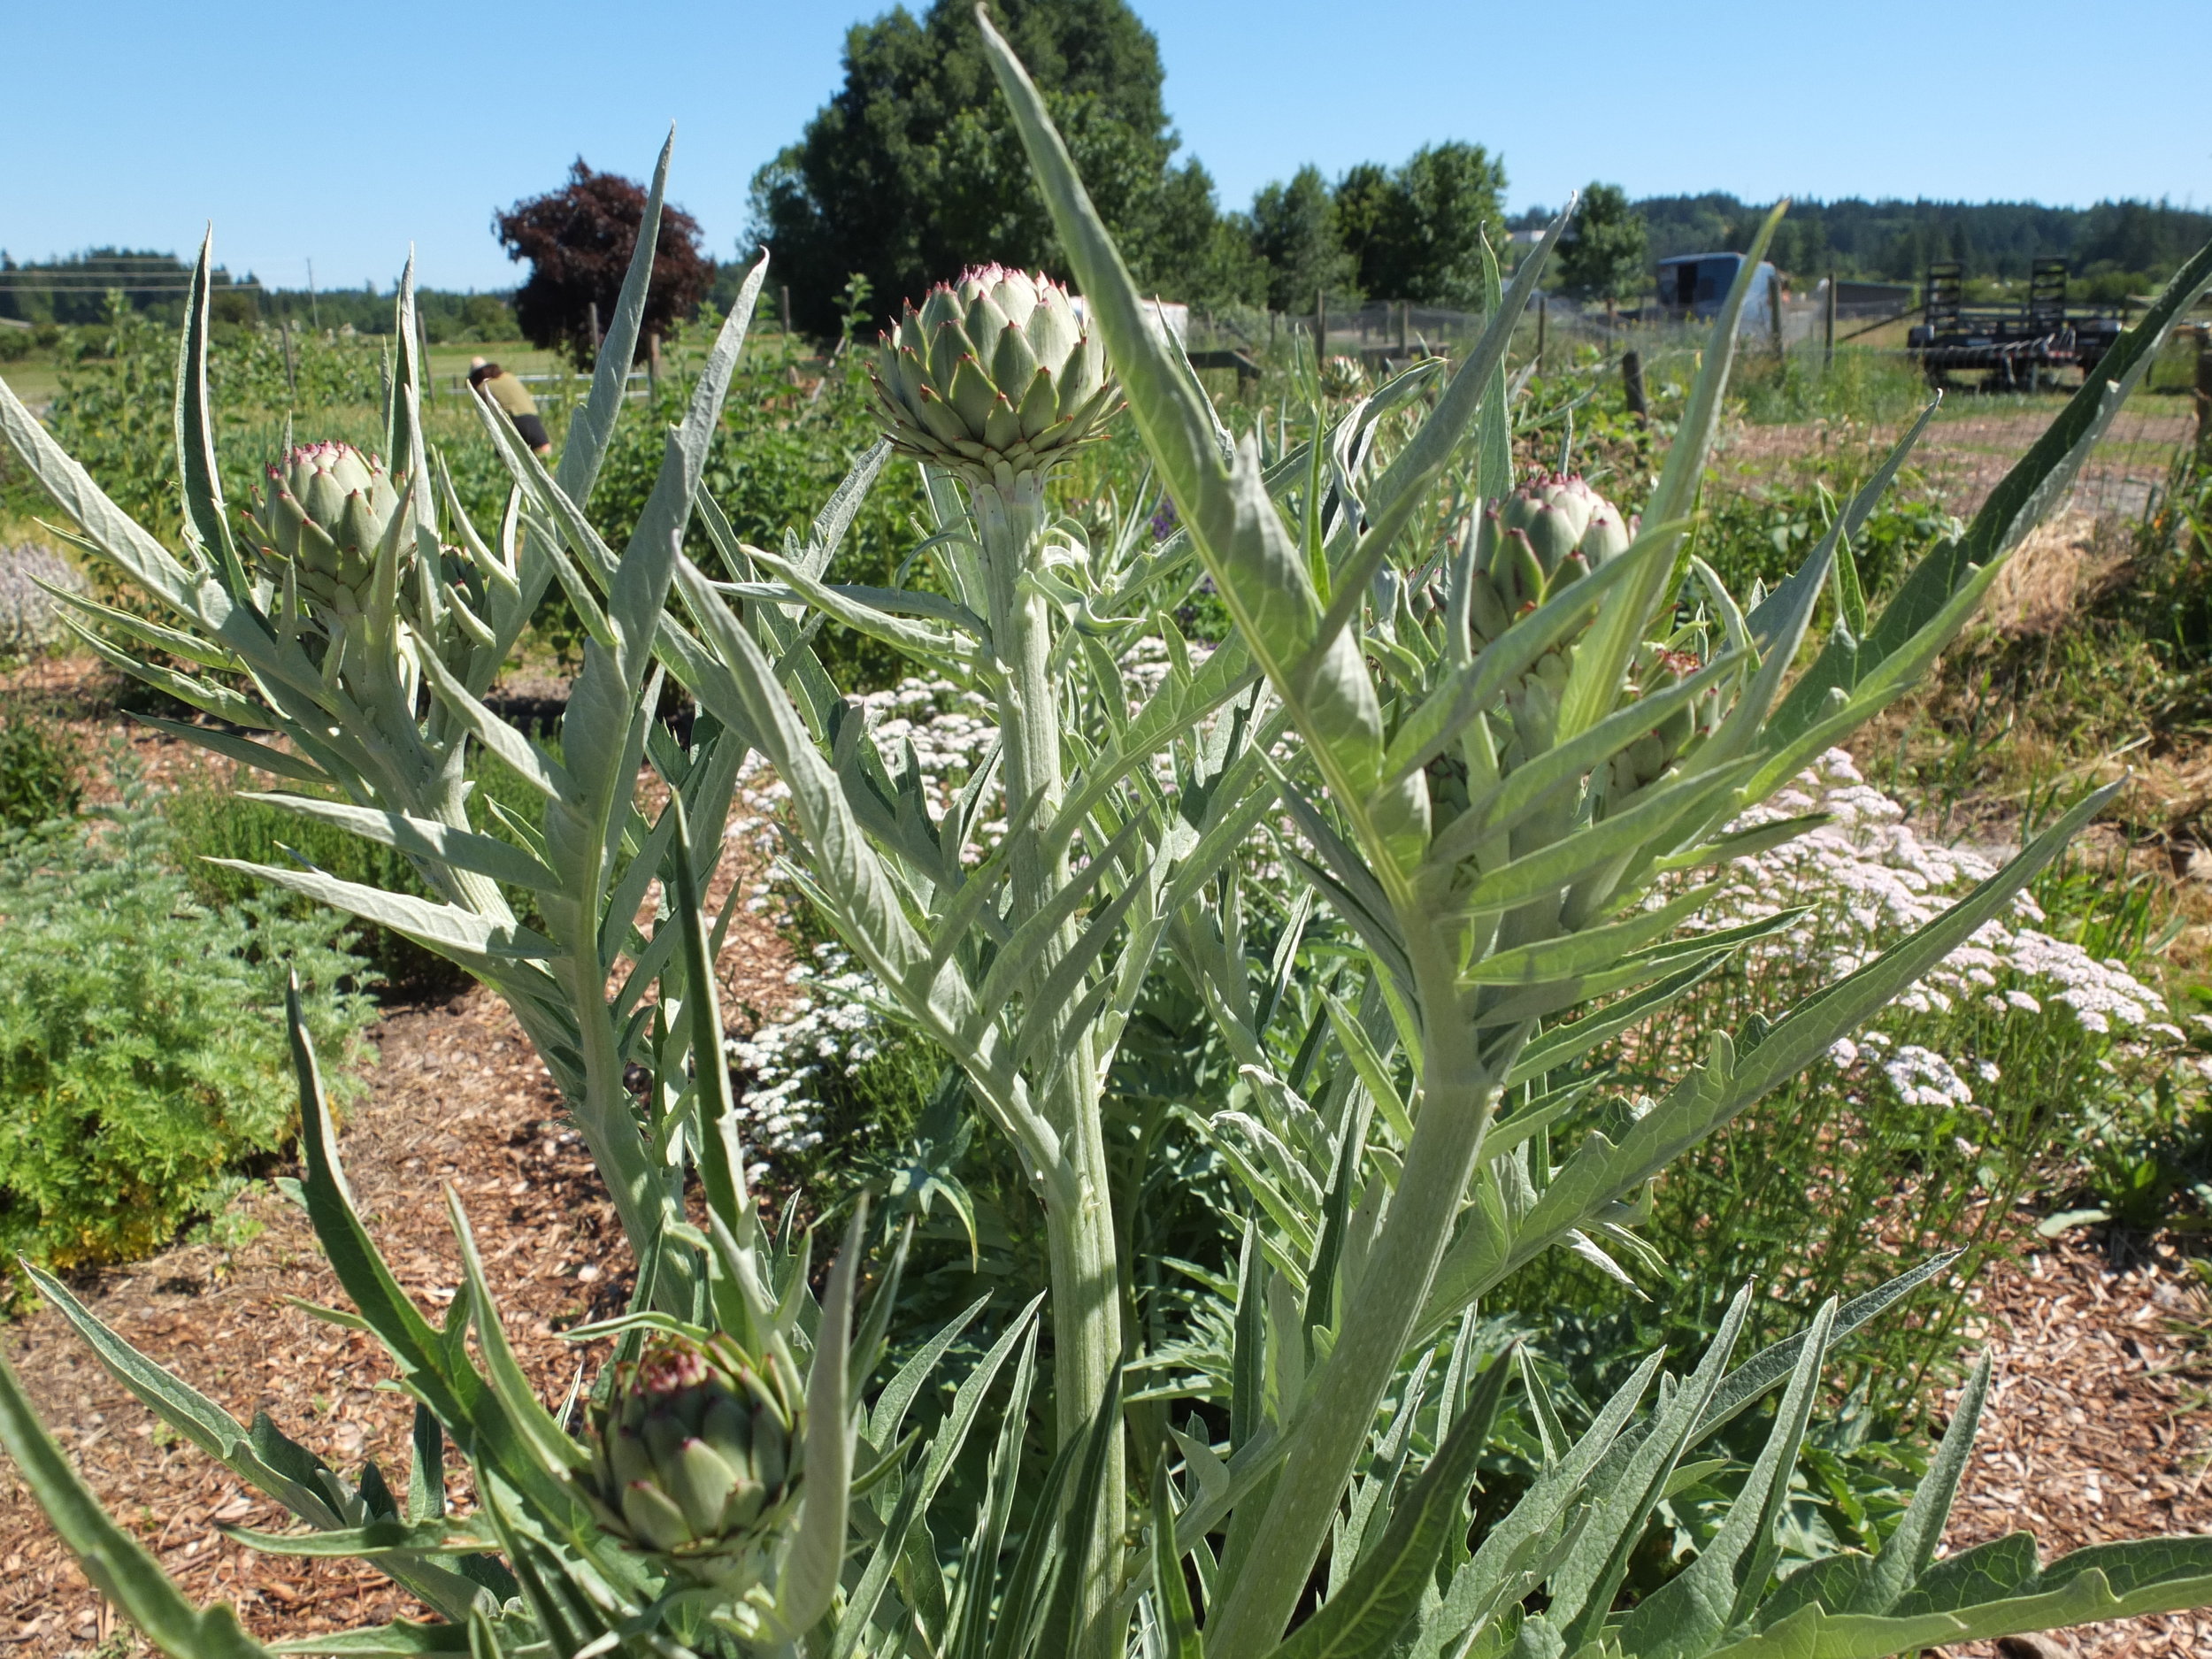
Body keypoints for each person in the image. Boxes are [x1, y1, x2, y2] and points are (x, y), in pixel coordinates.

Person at [468, 357, 551, 456]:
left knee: (505, 461)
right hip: (531, 416)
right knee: (544, 454)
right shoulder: (508, 376)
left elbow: (488, 415)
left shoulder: (482, 387)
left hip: (510, 421)